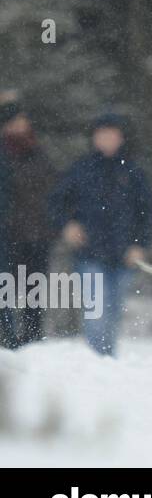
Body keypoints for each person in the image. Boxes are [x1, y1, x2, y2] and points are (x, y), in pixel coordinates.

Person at [47, 113, 152, 356]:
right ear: (94, 137)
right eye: (102, 133)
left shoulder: (134, 171)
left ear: (121, 137)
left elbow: (148, 212)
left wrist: (140, 245)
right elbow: (56, 202)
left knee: (113, 314)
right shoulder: (81, 169)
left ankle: (107, 365)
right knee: (97, 313)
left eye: (112, 133)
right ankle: (97, 363)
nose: (107, 139)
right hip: (89, 254)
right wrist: (67, 225)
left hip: (124, 255)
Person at [0, 98, 58, 347]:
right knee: (6, 288)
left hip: (37, 233)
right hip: (8, 232)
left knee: (34, 289)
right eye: (14, 121)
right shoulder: (5, 156)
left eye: (22, 120)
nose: (20, 125)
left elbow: (53, 190)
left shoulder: (37, 152)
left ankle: (32, 339)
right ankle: (9, 337)